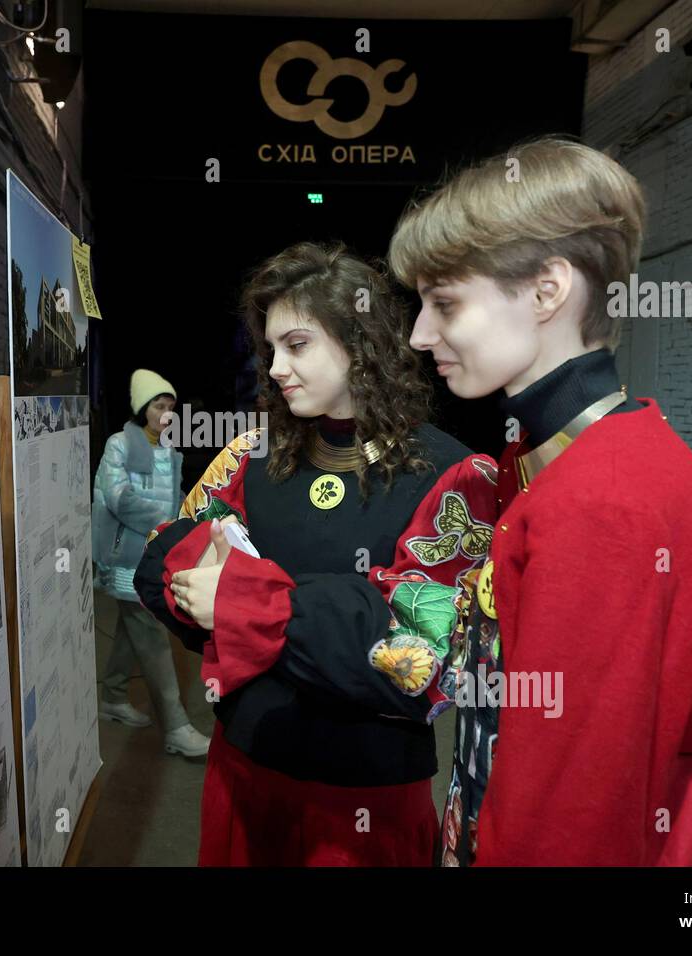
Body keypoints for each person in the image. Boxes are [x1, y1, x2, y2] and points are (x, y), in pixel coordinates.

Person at [387, 136, 692, 865]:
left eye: (444, 304)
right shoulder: (557, 459)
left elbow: (573, 815)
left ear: (546, 290)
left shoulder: (602, 500)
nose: (419, 334)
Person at [134, 242, 498, 866]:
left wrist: (242, 601)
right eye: (272, 348)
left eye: (297, 345)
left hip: (362, 805)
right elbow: (161, 560)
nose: (276, 367)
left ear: (360, 345)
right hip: (243, 770)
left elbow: (418, 659)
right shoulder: (250, 454)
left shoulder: (456, 474)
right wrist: (312, 614)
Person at [92, 369, 210, 757]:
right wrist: (163, 524)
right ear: (143, 407)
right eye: (159, 406)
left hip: (155, 556)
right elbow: (118, 497)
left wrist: (184, 530)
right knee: (153, 634)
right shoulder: (119, 445)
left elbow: (176, 502)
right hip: (125, 557)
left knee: (134, 628)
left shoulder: (170, 452)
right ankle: (176, 727)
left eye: (171, 407)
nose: (166, 414)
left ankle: (111, 696)